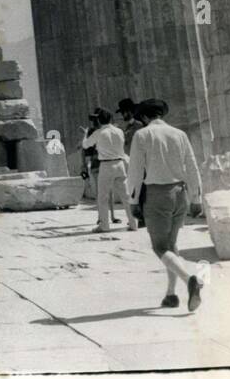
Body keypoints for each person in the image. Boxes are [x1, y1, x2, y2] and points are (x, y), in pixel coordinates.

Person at [126, 98, 205, 311]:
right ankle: (171, 295)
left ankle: (190, 279)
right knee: (171, 245)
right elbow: (192, 166)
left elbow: (134, 170)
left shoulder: (142, 135)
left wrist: (133, 200)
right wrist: (196, 197)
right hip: (180, 193)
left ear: (143, 117)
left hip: (157, 194)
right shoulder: (179, 134)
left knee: (159, 247)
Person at [81, 108, 136, 233]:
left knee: (103, 197)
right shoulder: (119, 131)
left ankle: (104, 225)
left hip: (106, 165)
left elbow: (85, 145)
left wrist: (85, 134)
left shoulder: (98, 133)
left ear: (99, 120)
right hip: (120, 164)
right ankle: (133, 222)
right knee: (125, 196)